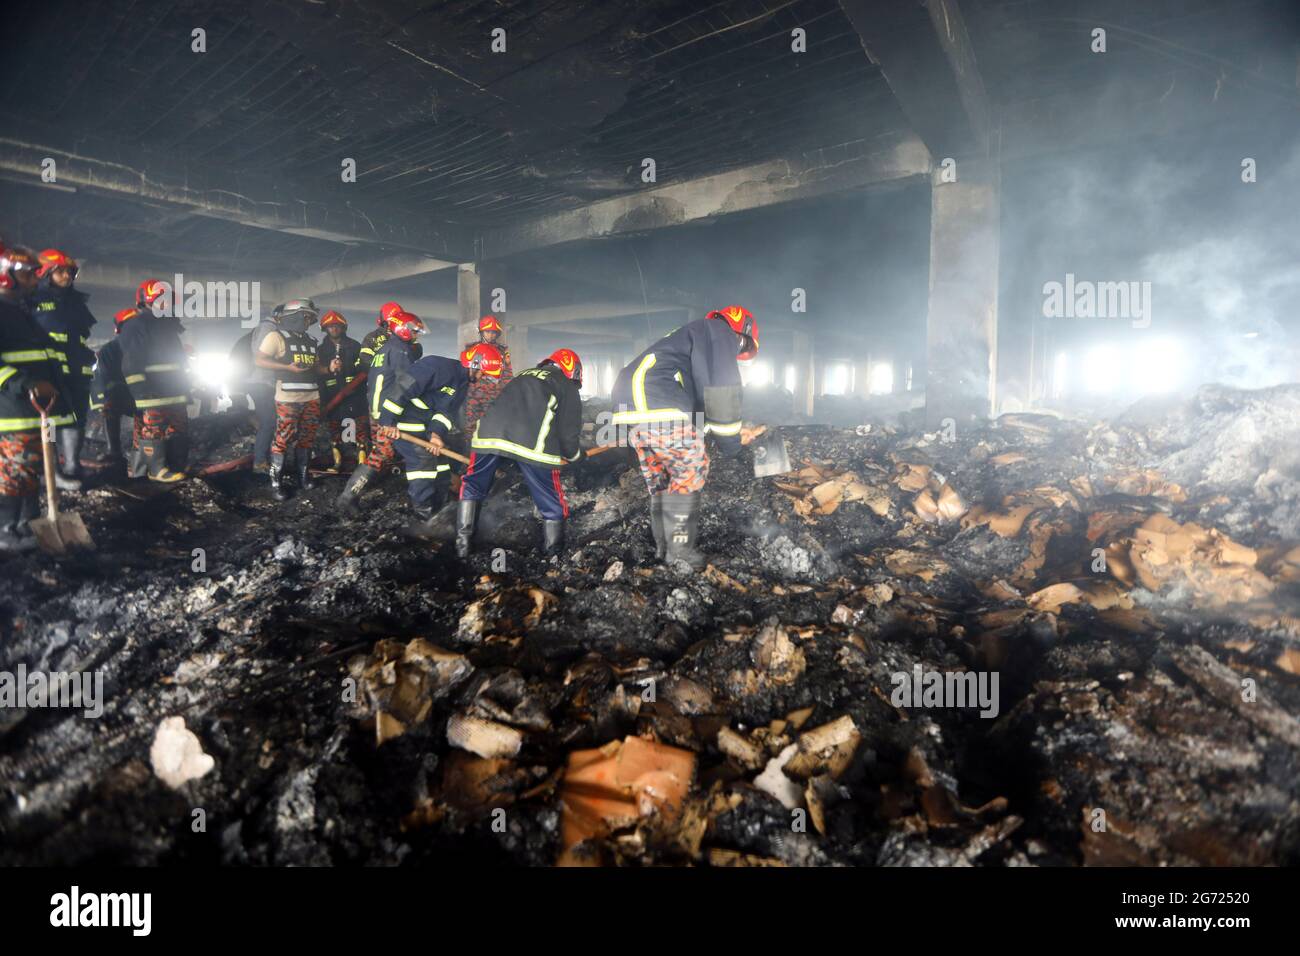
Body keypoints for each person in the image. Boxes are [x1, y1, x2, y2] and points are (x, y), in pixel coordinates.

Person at [610, 306, 764, 568]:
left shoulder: (693, 336)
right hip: (654, 397)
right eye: (741, 347)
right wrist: (731, 442)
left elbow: (698, 403)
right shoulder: (718, 331)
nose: (735, 353)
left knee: (663, 480)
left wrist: (728, 432)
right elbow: (721, 386)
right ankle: (680, 552)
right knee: (690, 468)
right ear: (742, 332)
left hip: (632, 402)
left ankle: (663, 548)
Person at [458, 348, 584, 558]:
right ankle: (554, 558)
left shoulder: (522, 375)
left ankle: (462, 548)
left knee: (472, 485)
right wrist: (576, 456)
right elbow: (568, 432)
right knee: (551, 501)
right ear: (573, 370)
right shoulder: (565, 385)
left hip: (488, 434)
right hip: (532, 444)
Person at [374, 344, 502, 537]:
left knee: (442, 464)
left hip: (424, 424)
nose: (483, 378)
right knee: (422, 463)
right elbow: (402, 388)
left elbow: (445, 413)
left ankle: (441, 510)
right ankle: (423, 515)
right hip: (403, 419)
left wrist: (436, 435)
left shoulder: (461, 383)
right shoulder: (437, 367)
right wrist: (387, 421)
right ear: (474, 364)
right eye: (483, 373)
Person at [0, 243, 75, 550]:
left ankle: (28, 526)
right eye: (30, 275)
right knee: (13, 474)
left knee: (30, 471)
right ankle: (5, 531)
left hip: (38, 410)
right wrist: (25, 383)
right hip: (12, 411)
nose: (36, 279)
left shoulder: (21, 312)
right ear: (6, 277)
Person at [335, 309, 425, 513]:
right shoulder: (401, 351)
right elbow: (408, 384)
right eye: (414, 331)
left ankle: (348, 497)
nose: (416, 335)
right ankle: (347, 498)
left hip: (378, 409)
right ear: (403, 330)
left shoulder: (387, 347)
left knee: (382, 451)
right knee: (386, 452)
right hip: (388, 411)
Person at [30, 249, 95, 488]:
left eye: (70, 271)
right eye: (61, 271)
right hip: (48, 369)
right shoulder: (32, 298)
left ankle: (72, 466)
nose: (67, 276)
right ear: (45, 272)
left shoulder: (76, 302)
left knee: (76, 417)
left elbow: (80, 336)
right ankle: (52, 472)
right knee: (49, 421)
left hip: (76, 369)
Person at [118, 279, 190, 482]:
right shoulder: (137, 325)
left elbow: (178, 360)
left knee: (179, 428)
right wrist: (140, 390)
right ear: (147, 301)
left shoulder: (169, 327)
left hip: (175, 390)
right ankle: (155, 470)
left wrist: (186, 385)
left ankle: (176, 468)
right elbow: (131, 362)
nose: (166, 304)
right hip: (152, 391)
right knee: (153, 430)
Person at [253, 298, 325, 501]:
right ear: (295, 316)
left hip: (312, 396)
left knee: (307, 437)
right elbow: (259, 360)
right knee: (283, 438)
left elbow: (317, 367)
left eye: (311, 317)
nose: (310, 319)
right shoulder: (275, 337)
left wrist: (330, 369)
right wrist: (287, 368)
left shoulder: (311, 341)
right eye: (307, 315)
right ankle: (276, 483)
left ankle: (303, 478)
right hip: (287, 397)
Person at [89, 307, 141, 467]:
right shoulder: (110, 350)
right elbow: (108, 379)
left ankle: (143, 454)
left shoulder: (145, 346)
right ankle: (113, 452)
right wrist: (112, 399)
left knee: (148, 420)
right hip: (117, 396)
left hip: (142, 395)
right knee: (109, 412)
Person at [316, 310, 367, 470]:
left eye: (337, 326)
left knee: (360, 429)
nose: (334, 329)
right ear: (325, 329)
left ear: (343, 327)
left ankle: (362, 464)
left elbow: (363, 369)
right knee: (335, 429)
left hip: (355, 396)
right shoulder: (321, 349)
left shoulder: (354, 346)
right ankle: (337, 463)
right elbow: (317, 372)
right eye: (330, 327)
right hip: (331, 397)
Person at [463, 314, 514, 436]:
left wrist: (505, 390)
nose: (491, 335)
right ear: (482, 332)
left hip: (495, 393)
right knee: (470, 426)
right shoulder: (472, 348)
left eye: (493, 332)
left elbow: (507, 372)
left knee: (492, 426)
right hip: (474, 393)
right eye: (488, 332)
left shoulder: (503, 350)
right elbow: (469, 370)